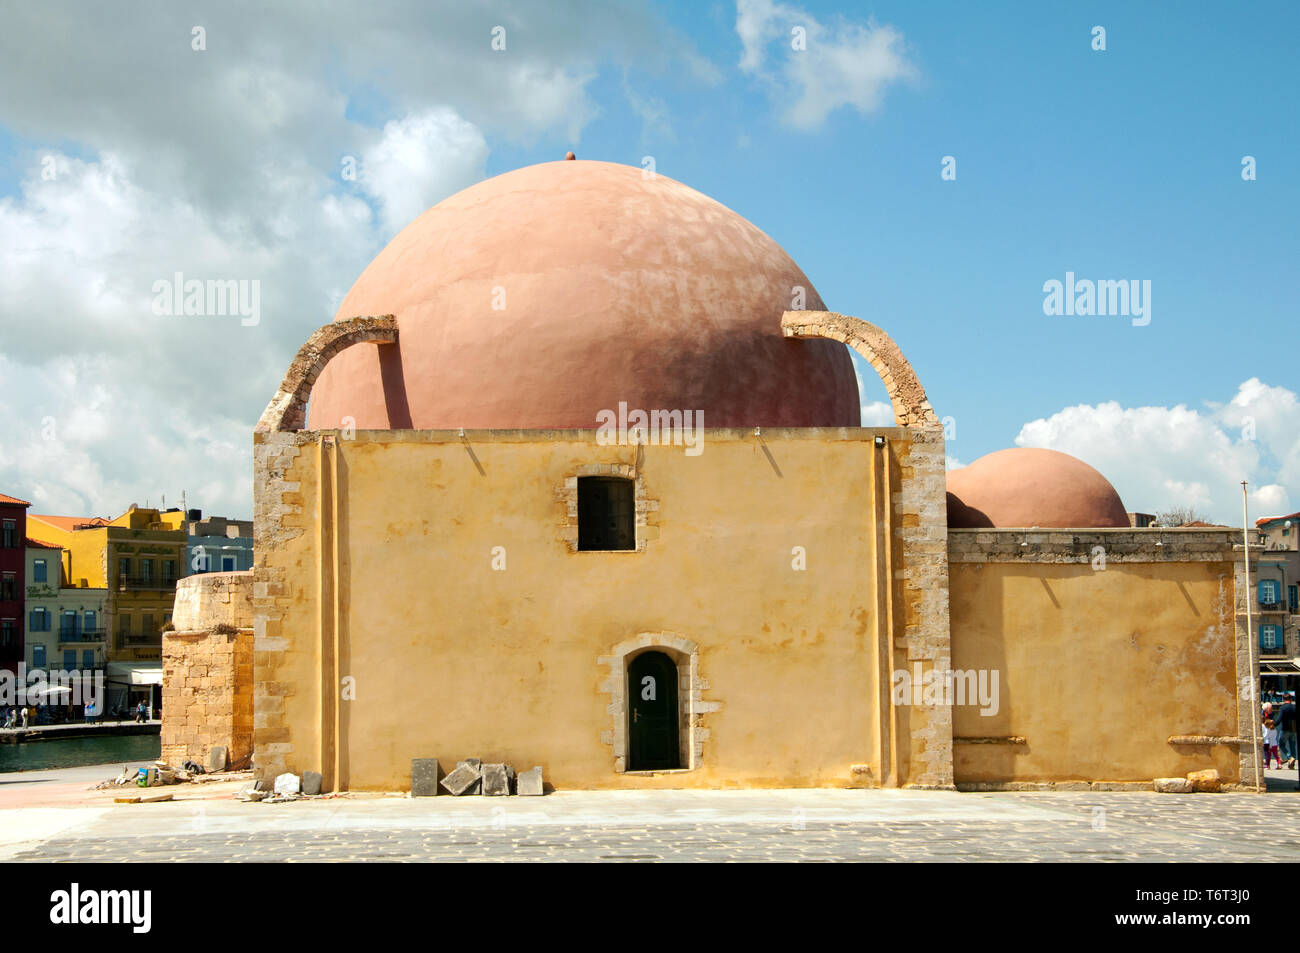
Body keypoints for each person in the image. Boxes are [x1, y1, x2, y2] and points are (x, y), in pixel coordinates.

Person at [1279, 693, 1298, 769]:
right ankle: (1292, 764)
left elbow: (1279, 718)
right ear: (1291, 699)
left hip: (1285, 729)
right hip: (1293, 729)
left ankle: (1290, 757)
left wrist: (1274, 724)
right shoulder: (1294, 707)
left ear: (1284, 699)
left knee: (1281, 744)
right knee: (1293, 746)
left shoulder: (1283, 708)